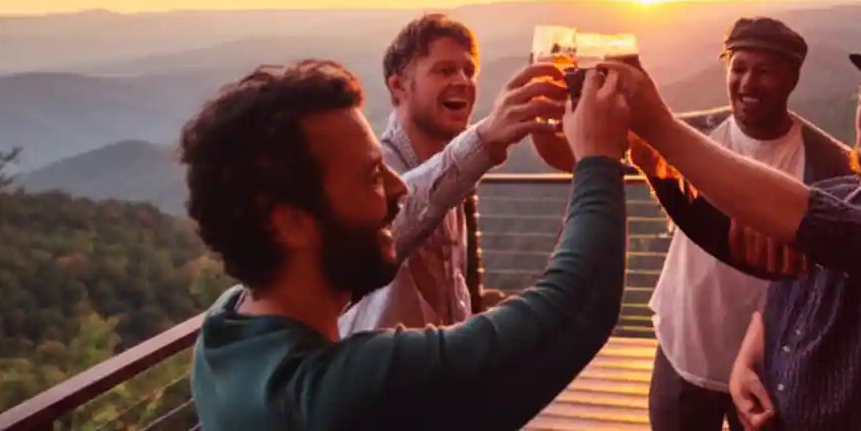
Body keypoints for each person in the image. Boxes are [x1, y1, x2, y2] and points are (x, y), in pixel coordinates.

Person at [183, 59, 633, 429]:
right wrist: (597, 159)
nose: (400, 189)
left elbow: (354, 242)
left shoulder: (227, 330)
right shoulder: (342, 395)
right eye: (371, 176)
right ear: (291, 223)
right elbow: (573, 308)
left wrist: (485, 138)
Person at [600, 33, 861, 430]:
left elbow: (841, 232)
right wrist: (747, 361)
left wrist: (658, 127)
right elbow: (782, 295)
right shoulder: (833, 192)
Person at [533, 17, 849, 431]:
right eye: (738, 67)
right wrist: (544, 116)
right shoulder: (691, 136)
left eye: (765, 71)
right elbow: (571, 157)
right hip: (684, 349)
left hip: (769, 367)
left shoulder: (829, 164)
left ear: (792, 78)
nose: (748, 82)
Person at [341, 13, 564, 335]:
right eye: (444, 70)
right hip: (384, 380)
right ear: (398, 85)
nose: (462, 80)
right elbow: (394, 225)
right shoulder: (375, 171)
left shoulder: (451, 172)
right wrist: (483, 142)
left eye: (469, 70)